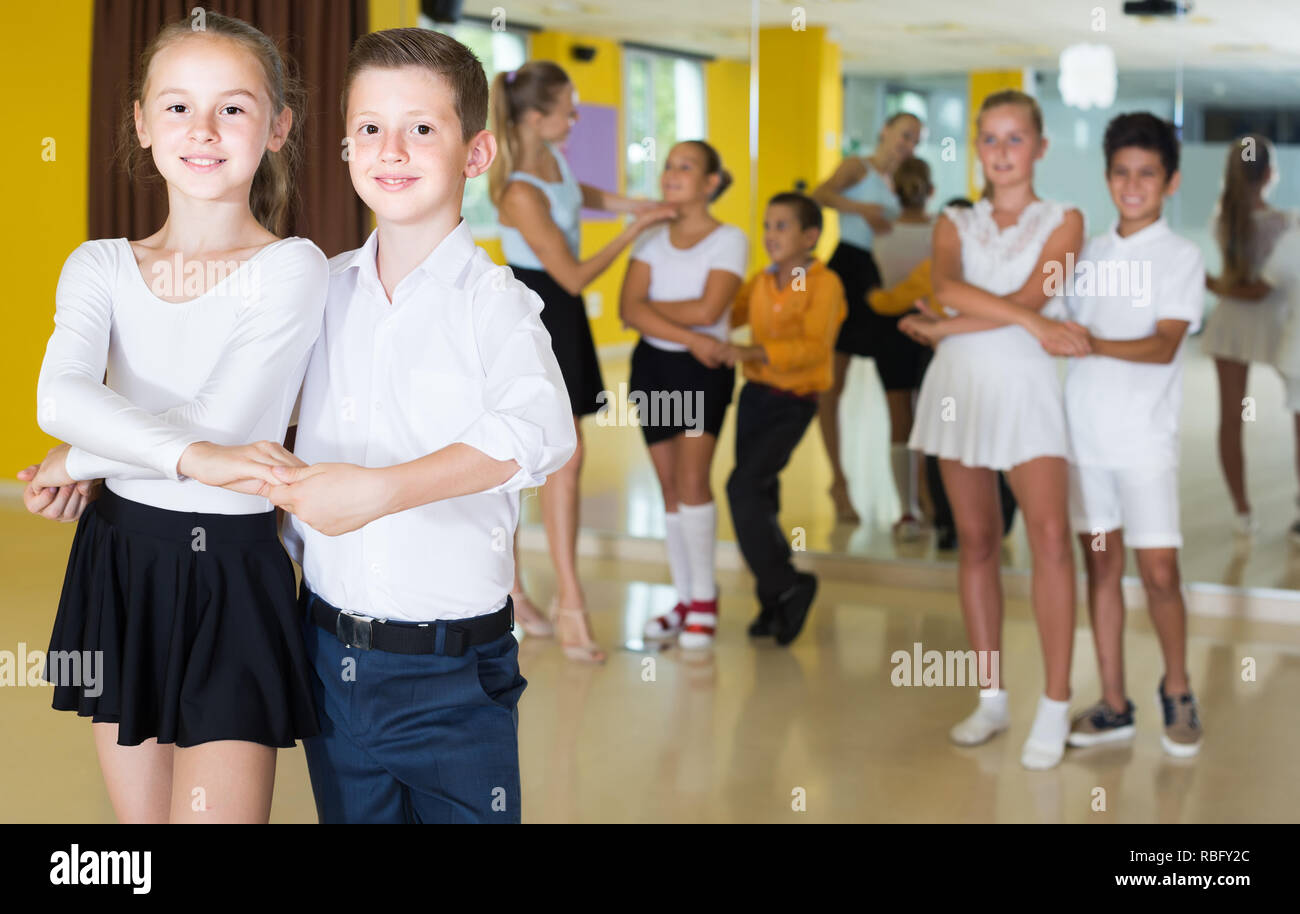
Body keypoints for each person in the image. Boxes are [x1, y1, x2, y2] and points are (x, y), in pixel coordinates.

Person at [20, 12, 327, 823]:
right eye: (178, 106)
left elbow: (219, 421)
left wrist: (78, 460)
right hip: (119, 562)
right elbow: (62, 399)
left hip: (233, 573)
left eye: (232, 107)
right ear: (141, 123)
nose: (203, 130)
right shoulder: (99, 265)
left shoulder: (292, 269)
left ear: (278, 126)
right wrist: (87, 444)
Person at [265, 28, 575, 822]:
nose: (391, 149)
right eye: (370, 128)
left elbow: (540, 429)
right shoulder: (319, 289)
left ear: (475, 155)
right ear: (345, 146)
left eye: (422, 128)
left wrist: (380, 493)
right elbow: (229, 402)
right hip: (330, 657)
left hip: (454, 674)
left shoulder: (496, 302)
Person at [900, 90, 1087, 770]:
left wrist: (949, 325)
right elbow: (946, 282)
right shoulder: (954, 219)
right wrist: (1026, 323)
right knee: (976, 540)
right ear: (977, 147)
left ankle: (1057, 703)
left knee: (1047, 540)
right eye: (990, 139)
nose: (1002, 153)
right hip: (961, 388)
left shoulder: (1067, 220)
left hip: (1027, 388)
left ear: (1039, 147)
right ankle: (991, 696)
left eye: (1015, 139)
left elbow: (1037, 295)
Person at [488, 59, 675, 661]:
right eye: (567, 109)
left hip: (563, 320)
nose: (575, 117)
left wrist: (628, 202)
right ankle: (560, 600)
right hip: (538, 311)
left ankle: (537, 592)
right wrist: (634, 231)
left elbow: (577, 193)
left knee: (566, 458)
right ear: (537, 118)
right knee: (543, 457)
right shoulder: (516, 188)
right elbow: (570, 275)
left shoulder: (553, 162)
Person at [1053, 112, 1205, 757]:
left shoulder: (1182, 256)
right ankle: (1115, 704)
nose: (1133, 185)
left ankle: (1178, 688)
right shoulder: (1085, 253)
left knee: (1161, 571)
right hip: (1083, 443)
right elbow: (1040, 317)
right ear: (1108, 177)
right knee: (1101, 568)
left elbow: (1163, 347)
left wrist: (1084, 343)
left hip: (1144, 443)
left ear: (1170, 182)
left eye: (1147, 174)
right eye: (1121, 173)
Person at [620, 140, 747, 650]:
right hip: (655, 365)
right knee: (669, 489)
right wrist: (694, 335)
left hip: (701, 374)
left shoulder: (729, 238)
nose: (672, 174)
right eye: (669, 166)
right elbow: (628, 309)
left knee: (694, 482)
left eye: (686, 167)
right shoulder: (650, 234)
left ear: (711, 182)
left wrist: (673, 320)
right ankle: (685, 597)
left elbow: (708, 306)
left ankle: (705, 601)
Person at [723, 192, 846, 645]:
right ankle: (773, 601)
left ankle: (788, 583)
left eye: (782, 226)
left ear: (810, 236)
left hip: (792, 402)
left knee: (742, 486)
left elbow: (815, 347)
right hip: (755, 395)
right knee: (761, 497)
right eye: (767, 225)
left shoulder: (825, 284)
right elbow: (724, 312)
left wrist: (752, 351)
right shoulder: (761, 281)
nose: (771, 235)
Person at [874, 197, 1019, 550]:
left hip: (954, 370)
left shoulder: (935, 270)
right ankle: (979, 520)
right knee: (968, 442)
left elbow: (889, 302)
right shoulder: (990, 273)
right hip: (970, 373)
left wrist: (872, 296)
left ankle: (951, 523)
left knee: (948, 444)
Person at [811, 112, 923, 523]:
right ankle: (838, 482)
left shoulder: (907, 180)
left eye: (914, 139)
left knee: (898, 391)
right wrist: (861, 208)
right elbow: (820, 194)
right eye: (903, 134)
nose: (907, 143)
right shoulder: (859, 166)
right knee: (832, 385)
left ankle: (911, 499)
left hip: (888, 276)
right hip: (849, 271)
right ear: (884, 130)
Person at [1199, 134, 1299, 537]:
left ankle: (1242, 511)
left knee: (1232, 419)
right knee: (1296, 415)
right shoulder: (1287, 222)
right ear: (1270, 174)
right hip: (1278, 323)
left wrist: (1214, 285)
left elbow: (1237, 284)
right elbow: (1264, 289)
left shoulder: (1220, 220)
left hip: (1231, 325)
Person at [870, 156, 935, 539]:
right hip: (931, 328)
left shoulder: (882, 232)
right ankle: (929, 502)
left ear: (893, 191)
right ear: (931, 192)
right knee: (929, 421)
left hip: (889, 328)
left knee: (899, 419)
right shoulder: (941, 231)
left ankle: (905, 510)